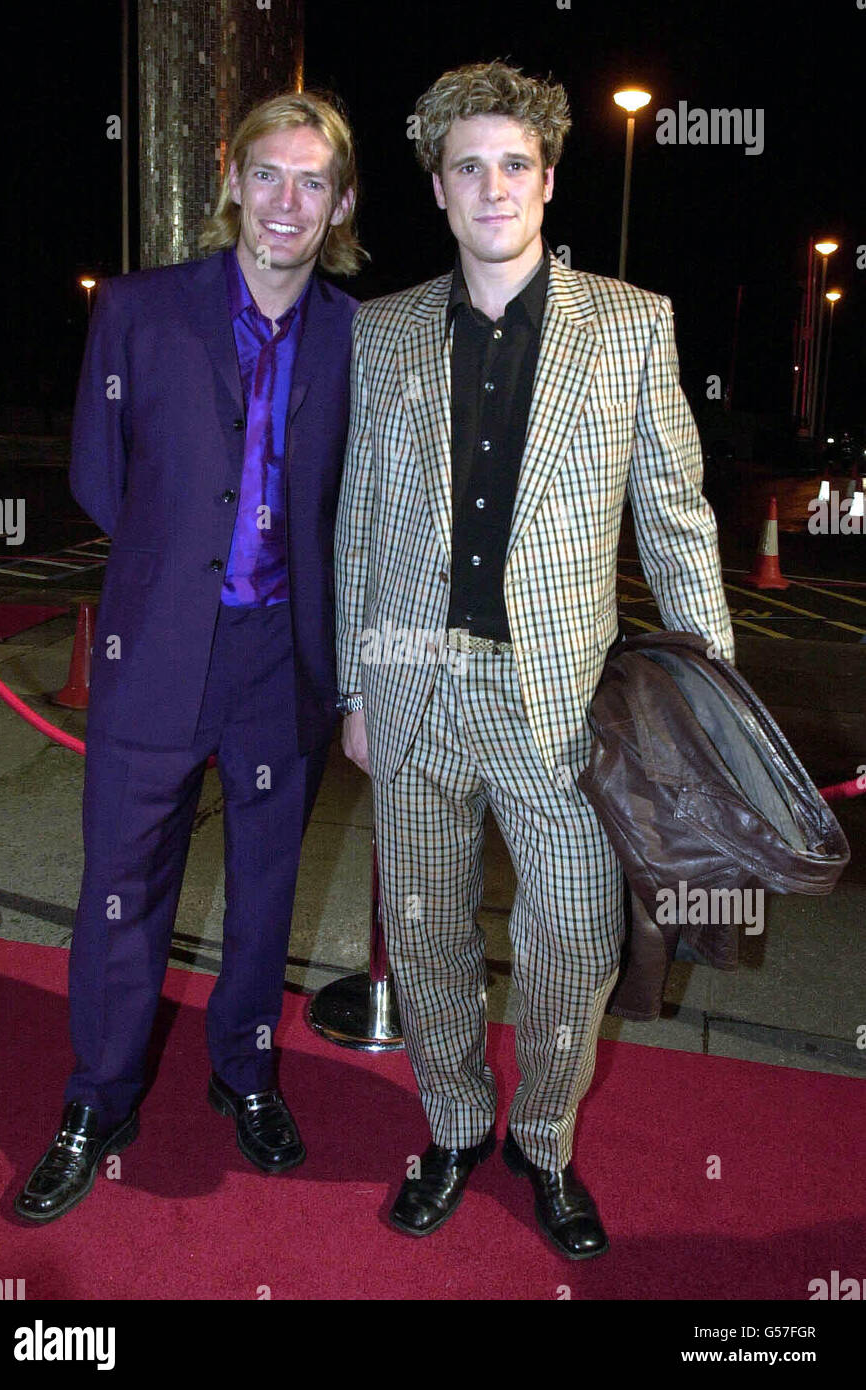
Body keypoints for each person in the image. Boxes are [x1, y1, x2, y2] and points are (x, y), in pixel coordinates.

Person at [335, 60, 733, 1260]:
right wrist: (356, 687)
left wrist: (710, 693)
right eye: (468, 167)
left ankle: (543, 1140)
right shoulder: (383, 331)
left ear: (548, 181)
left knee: (575, 937)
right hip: (413, 687)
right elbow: (357, 517)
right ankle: (454, 1123)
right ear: (441, 193)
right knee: (423, 929)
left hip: (558, 702)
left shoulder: (630, 323)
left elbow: (674, 517)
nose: (492, 185)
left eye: (514, 163)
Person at [15, 91, 364, 1223]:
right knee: (123, 885)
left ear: (341, 203)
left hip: (282, 662)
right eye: (268, 174)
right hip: (157, 645)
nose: (285, 202)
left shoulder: (362, 336)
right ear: (230, 179)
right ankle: (96, 1096)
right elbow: (99, 476)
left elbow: (355, 508)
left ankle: (245, 1073)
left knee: (266, 889)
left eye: (312, 183)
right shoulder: (137, 311)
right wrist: (180, 570)